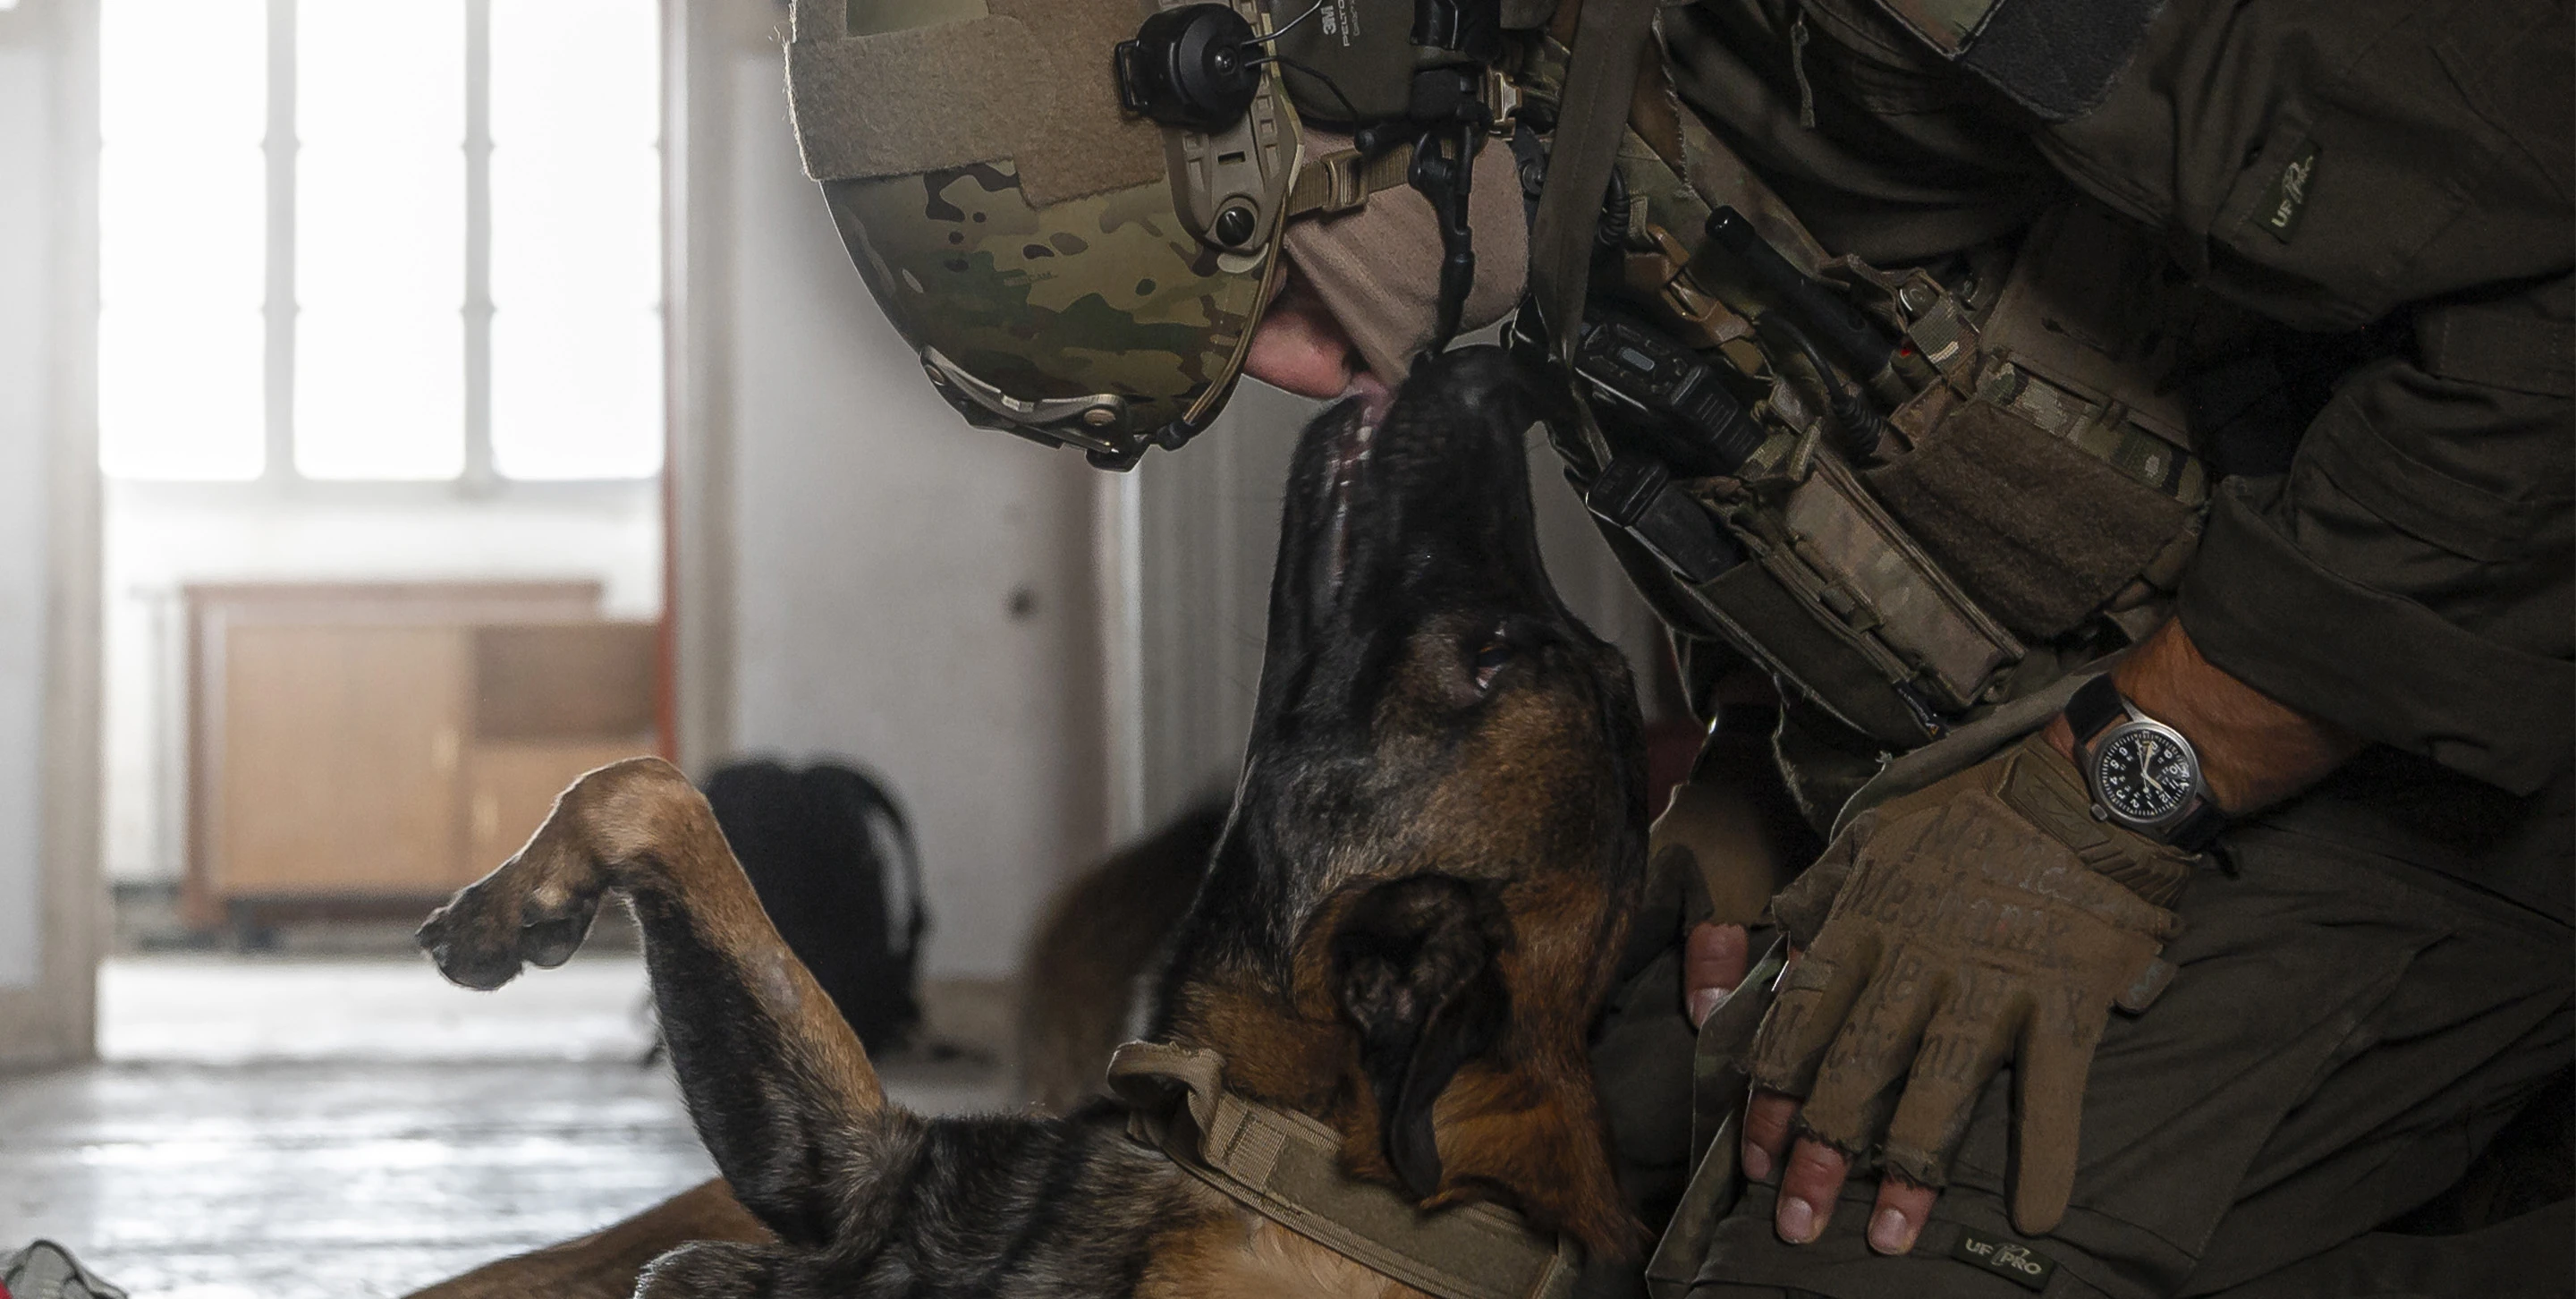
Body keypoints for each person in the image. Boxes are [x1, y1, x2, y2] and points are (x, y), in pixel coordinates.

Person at [456, 2, 2563, 1296]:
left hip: (2425, 754)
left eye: (1282, 291)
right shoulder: (1521, 132)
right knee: (1427, 1188)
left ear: (1279, 66)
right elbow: (1872, 461)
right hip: (2017, 764)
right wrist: (1749, 770)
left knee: (1829, 1271)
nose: (1308, 375)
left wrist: (2121, 784)